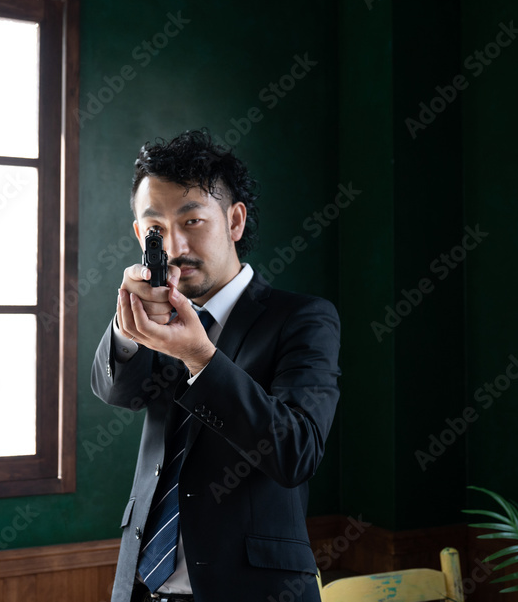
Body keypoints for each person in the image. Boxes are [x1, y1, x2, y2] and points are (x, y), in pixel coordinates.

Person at [91, 129, 341, 602]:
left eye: (193, 221)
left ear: (234, 221)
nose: (175, 246)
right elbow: (118, 392)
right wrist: (129, 330)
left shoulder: (303, 318)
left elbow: (297, 453)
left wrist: (199, 355)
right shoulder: (158, 314)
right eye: (156, 230)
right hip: (141, 587)